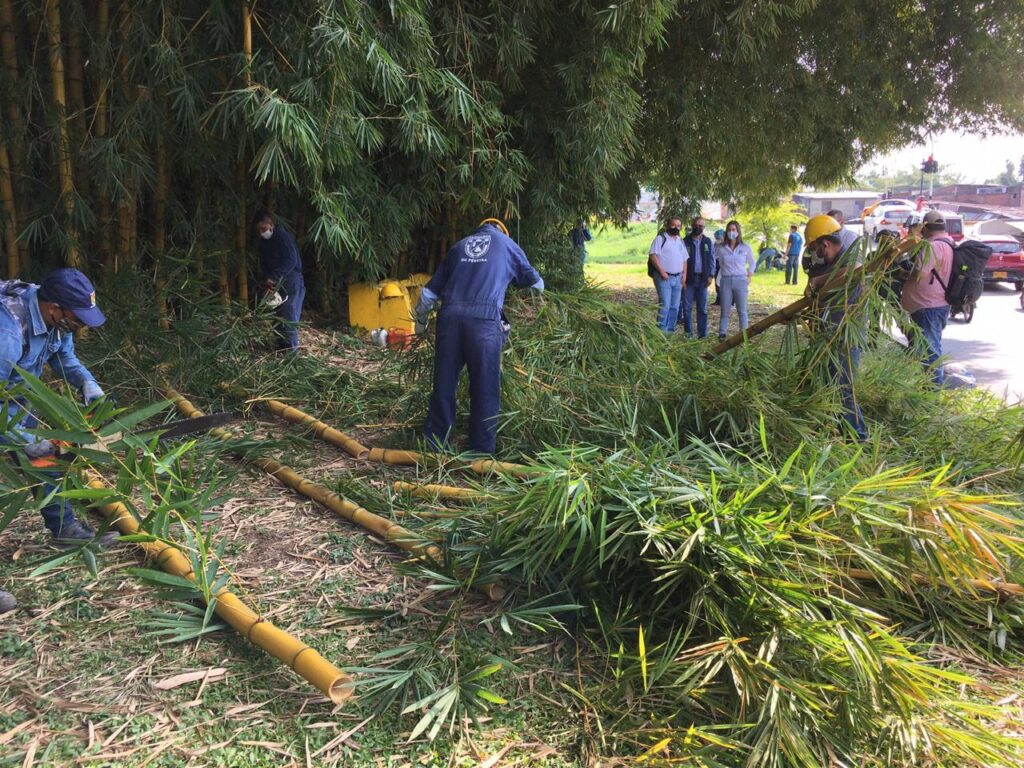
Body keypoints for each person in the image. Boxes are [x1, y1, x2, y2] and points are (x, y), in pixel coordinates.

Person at [0, 269, 120, 612]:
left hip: (11, 401)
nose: (78, 325)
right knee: (35, 448)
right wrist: (21, 438)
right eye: (75, 318)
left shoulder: (54, 319)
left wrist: (87, 383)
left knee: (45, 459)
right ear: (54, 307)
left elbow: (63, 357)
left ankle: (65, 528)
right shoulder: (7, 331)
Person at [416, 218, 543, 455]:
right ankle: (481, 452)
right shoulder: (507, 245)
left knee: (444, 382)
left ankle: (435, 444)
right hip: (484, 324)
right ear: (502, 231)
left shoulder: (459, 246)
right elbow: (538, 285)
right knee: (485, 387)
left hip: (449, 319)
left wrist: (420, 326)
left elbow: (427, 294)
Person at [803, 215, 867, 441]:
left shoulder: (850, 255)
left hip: (847, 333)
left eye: (814, 248)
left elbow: (854, 271)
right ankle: (841, 429)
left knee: (844, 383)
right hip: (833, 331)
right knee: (833, 381)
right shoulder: (833, 261)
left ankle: (858, 437)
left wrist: (818, 282)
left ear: (825, 243)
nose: (814, 254)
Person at [899, 210, 953, 386]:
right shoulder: (949, 243)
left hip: (927, 307)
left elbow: (919, 274)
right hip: (936, 304)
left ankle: (932, 394)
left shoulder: (933, 246)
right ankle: (925, 389)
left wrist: (905, 272)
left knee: (930, 352)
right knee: (925, 349)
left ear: (926, 228)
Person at [252, 209, 306, 352]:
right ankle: (282, 348)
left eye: (263, 229)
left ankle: (292, 353)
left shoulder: (282, 237)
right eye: (259, 230)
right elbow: (263, 264)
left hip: (291, 279)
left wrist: (274, 276)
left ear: (271, 224)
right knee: (278, 315)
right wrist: (267, 281)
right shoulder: (264, 242)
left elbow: (291, 260)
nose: (262, 233)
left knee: (289, 312)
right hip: (275, 282)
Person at [715, 220, 755, 340]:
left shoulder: (745, 247)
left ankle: (744, 334)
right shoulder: (721, 248)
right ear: (726, 232)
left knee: (742, 310)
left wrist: (749, 275)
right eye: (729, 230)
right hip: (726, 280)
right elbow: (720, 263)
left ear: (738, 231)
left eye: (734, 230)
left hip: (741, 280)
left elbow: (752, 262)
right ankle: (722, 333)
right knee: (725, 309)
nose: (731, 232)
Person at [677, 216, 716, 338]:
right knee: (687, 309)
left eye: (701, 226)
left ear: (704, 228)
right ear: (692, 225)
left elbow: (712, 260)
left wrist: (711, 275)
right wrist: (682, 277)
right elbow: (679, 260)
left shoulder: (708, 242)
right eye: (696, 225)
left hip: (703, 280)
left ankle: (702, 335)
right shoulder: (684, 242)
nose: (698, 227)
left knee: (702, 309)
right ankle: (688, 335)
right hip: (689, 280)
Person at [647, 216, 688, 333]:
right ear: (668, 225)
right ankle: (661, 331)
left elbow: (684, 259)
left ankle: (670, 330)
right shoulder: (661, 239)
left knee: (675, 306)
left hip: (678, 278)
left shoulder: (680, 241)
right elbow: (653, 256)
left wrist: (684, 274)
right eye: (673, 225)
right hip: (664, 278)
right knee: (665, 305)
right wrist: (662, 271)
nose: (676, 228)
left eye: (678, 226)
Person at [711, 228, 725, 305]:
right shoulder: (715, 244)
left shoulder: (726, 245)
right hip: (715, 263)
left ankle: (725, 300)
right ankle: (718, 299)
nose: (718, 239)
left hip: (722, 263)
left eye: (719, 238)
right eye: (717, 238)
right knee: (717, 281)